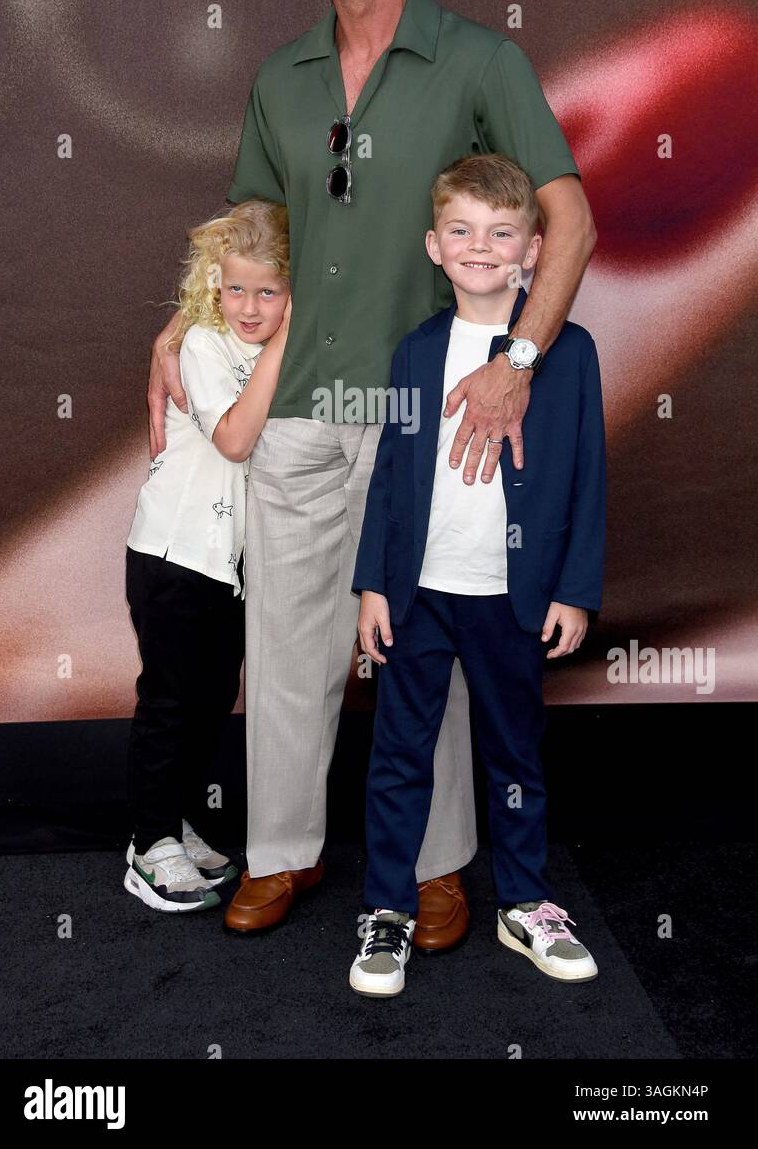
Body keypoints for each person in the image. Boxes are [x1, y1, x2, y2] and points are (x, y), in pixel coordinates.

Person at [147, 0, 597, 949]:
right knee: (289, 647)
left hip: (428, 418)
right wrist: (179, 329)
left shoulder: (481, 60)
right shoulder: (278, 78)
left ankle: (441, 867)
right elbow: (248, 246)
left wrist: (517, 365)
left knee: (429, 650)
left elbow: (570, 219)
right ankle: (281, 853)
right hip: (300, 405)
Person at [349, 153, 606, 996]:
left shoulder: (569, 352)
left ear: (534, 247)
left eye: (501, 233)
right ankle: (386, 911)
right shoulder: (417, 351)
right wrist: (375, 584)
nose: (480, 246)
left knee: (515, 757)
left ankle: (525, 902)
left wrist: (574, 586)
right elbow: (391, 472)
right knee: (399, 755)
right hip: (420, 593)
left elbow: (588, 473)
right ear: (433, 245)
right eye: (461, 231)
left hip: (512, 596)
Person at [124, 200, 291, 911]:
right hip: (173, 554)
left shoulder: (285, 341)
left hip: (232, 565)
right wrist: (292, 336)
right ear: (211, 286)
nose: (248, 308)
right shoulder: (199, 343)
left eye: (267, 291)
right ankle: (147, 846)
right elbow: (234, 439)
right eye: (234, 288)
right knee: (170, 699)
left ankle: (176, 822)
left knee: (210, 700)